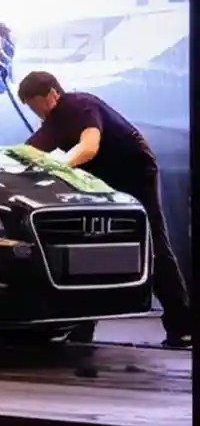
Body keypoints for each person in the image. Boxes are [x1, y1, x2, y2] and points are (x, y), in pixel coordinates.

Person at [17, 71, 192, 349]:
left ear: (52, 93)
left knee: (152, 242)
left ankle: (182, 327)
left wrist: (58, 167)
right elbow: (27, 153)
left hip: (134, 170)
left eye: (34, 102)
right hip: (100, 177)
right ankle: (81, 327)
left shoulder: (77, 105)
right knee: (88, 242)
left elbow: (89, 147)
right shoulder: (53, 123)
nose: (34, 110)